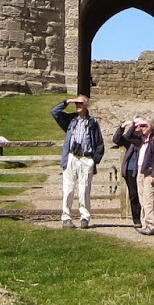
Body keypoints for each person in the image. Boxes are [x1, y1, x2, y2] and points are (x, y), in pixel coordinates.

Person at [51, 94, 104, 227]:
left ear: (87, 104)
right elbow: (54, 112)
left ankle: (84, 218)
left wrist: (94, 160)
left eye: (80, 103)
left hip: (86, 158)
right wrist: (68, 101)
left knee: (84, 189)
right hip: (71, 157)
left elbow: (99, 143)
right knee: (68, 189)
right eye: (76, 103)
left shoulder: (92, 122)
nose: (78, 105)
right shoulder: (70, 119)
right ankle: (66, 218)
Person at [113, 118, 154, 234]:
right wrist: (133, 124)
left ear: (151, 127)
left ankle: (151, 225)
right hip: (140, 171)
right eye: (141, 126)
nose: (142, 128)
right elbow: (126, 137)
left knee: (148, 199)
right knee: (142, 199)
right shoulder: (142, 140)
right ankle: (145, 224)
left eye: (144, 126)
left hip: (149, 172)